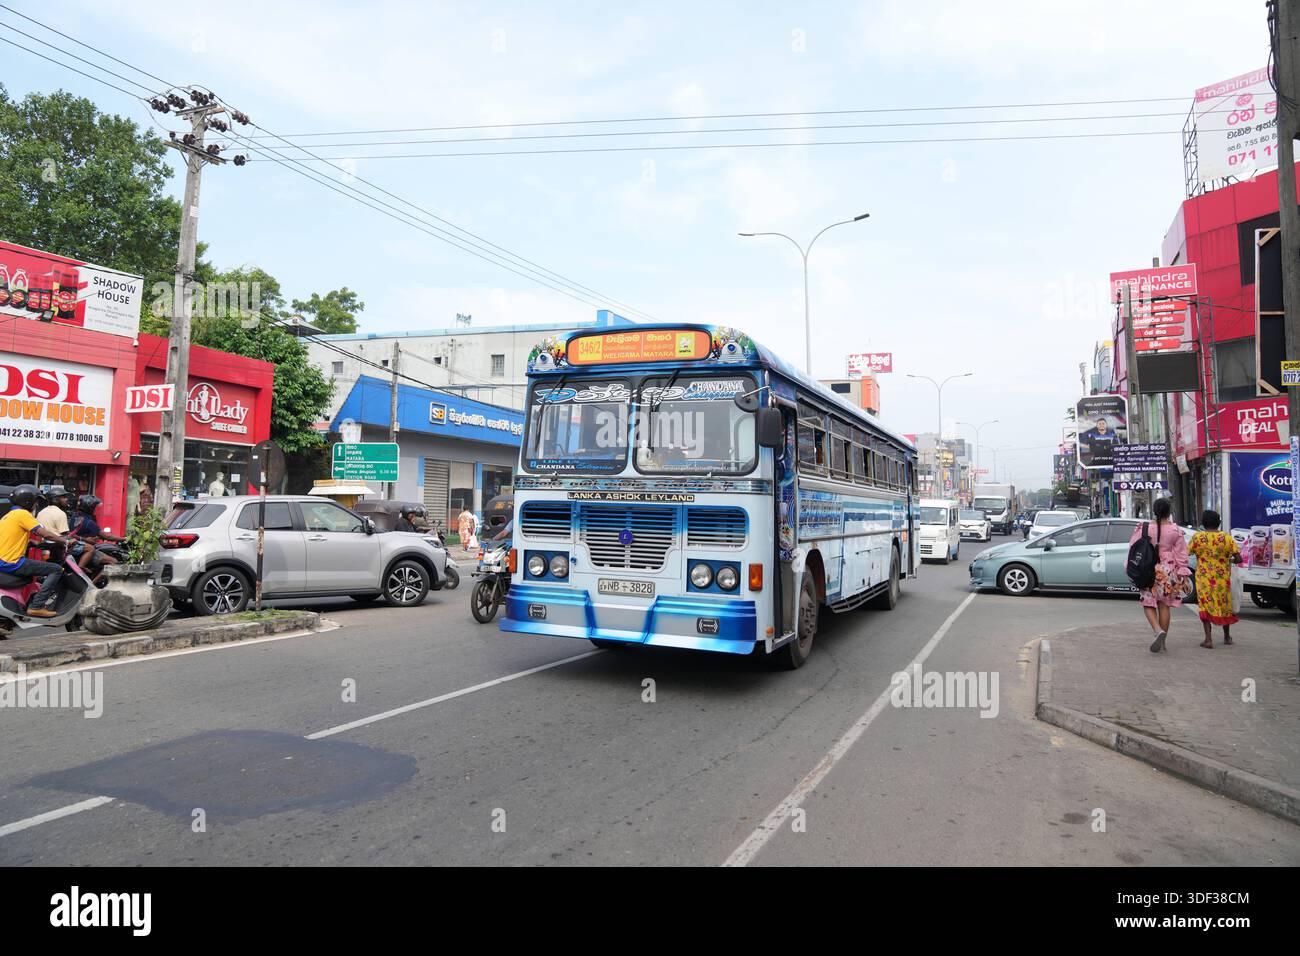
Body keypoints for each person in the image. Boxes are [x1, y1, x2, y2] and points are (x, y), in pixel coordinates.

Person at [1128, 497, 1191, 653]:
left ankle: (1157, 630)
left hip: (1148, 570)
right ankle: (1163, 643)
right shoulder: (1176, 530)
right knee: (1164, 606)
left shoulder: (1144, 527)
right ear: (1169, 512)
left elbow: (1133, 548)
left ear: (1154, 511)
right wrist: (1183, 574)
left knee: (1148, 603)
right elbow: (1181, 554)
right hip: (1168, 571)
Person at [0, 484, 71, 617]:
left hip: (4, 560)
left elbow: (12, 537)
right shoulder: (23, 514)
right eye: (36, 501)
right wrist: (65, 541)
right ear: (28, 501)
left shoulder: (9, 515)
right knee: (55, 569)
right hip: (12, 562)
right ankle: (36, 606)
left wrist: (33, 543)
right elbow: (45, 533)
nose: (36, 504)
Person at [1188, 509, 1241, 648]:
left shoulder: (1197, 538)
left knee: (1205, 606)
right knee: (1224, 604)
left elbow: (1187, 552)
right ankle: (1227, 637)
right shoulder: (1227, 538)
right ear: (1219, 523)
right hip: (1222, 578)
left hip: (1203, 579)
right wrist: (1229, 560)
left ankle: (1208, 639)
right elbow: (1239, 558)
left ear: (1203, 523)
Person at [35, 486, 96, 570]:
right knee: (90, 548)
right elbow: (65, 535)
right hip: (59, 545)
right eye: (63, 497)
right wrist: (83, 539)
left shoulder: (41, 512)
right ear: (55, 499)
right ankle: (79, 569)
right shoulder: (60, 513)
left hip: (44, 544)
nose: (66, 499)